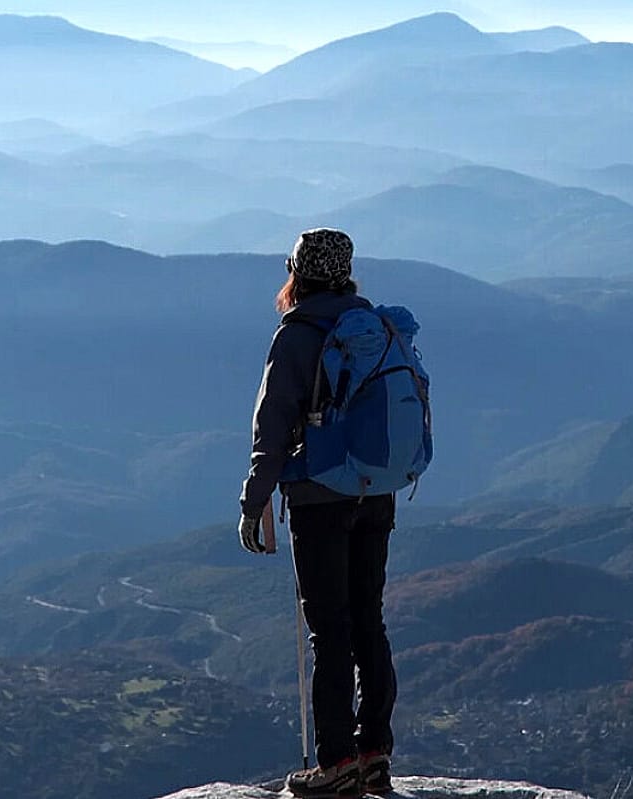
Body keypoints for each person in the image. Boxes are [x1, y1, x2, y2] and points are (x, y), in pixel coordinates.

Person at [239, 228, 397, 798]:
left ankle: (335, 764)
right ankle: (375, 752)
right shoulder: (374, 327)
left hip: (317, 500)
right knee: (368, 620)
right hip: (375, 492)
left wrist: (254, 501)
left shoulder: (298, 334)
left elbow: (273, 425)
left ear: (297, 273)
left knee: (329, 632)